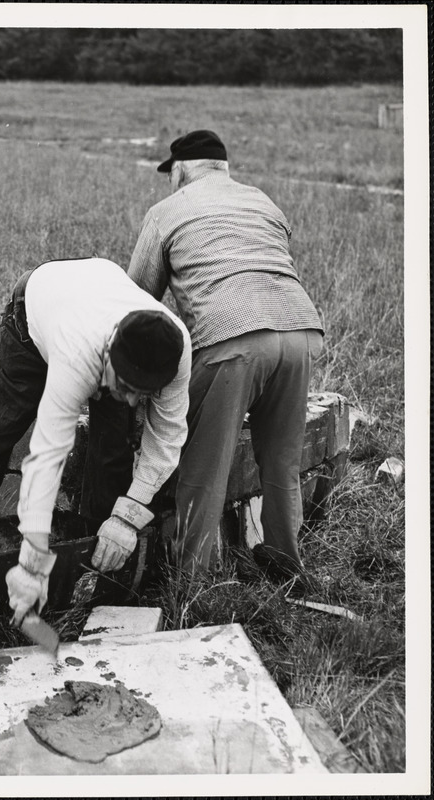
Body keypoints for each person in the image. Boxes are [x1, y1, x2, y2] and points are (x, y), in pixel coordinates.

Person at [0, 257, 191, 628]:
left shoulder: (175, 348)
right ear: (107, 359)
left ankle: (91, 571)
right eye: (128, 389)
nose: (137, 403)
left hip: (97, 298)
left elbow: (167, 436)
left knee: (113, 456)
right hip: (37, 311)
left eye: (146, 393)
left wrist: (127, 517)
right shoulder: (75, 355)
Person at [127, 129, 324, 588]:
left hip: (233, 339)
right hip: (299, 333)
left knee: (204, 465)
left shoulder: (165, 213)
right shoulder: (263, 202)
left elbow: (136, 301)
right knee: (281, 461)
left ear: (179, 169)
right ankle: (284, 562)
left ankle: (192, 581)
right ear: (223, 167)